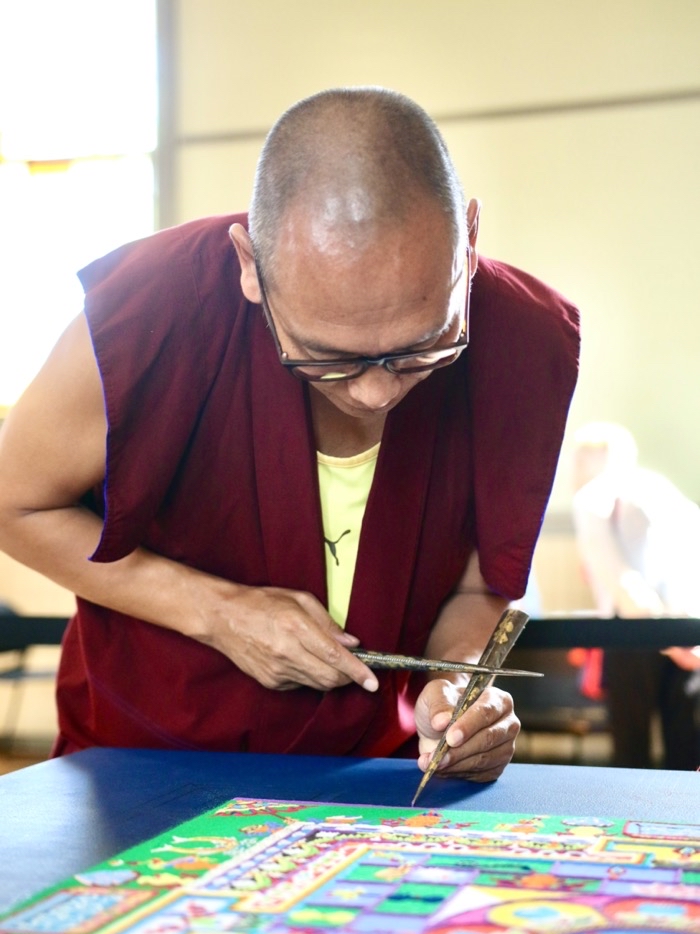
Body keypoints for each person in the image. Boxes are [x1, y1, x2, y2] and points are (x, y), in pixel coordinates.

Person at [0, 87, 580, 780]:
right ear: (249, 266)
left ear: (471, 241)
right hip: (147, 759)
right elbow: (15, 503)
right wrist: (217, 611)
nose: (376, 393)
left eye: (423, 348)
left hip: (380, 773)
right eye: (328, 357)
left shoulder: (523, 340)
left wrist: (453, 692)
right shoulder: (152, 309)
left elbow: (480, 583)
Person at [572, 421, 700, 769]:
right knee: (686, 749)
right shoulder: (663, 490)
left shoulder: (593, 496)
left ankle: (629, 824)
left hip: (634, 633)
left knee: (631, 754)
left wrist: (667, 639)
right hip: (687, 631)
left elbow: (618, 577)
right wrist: (685, 641)